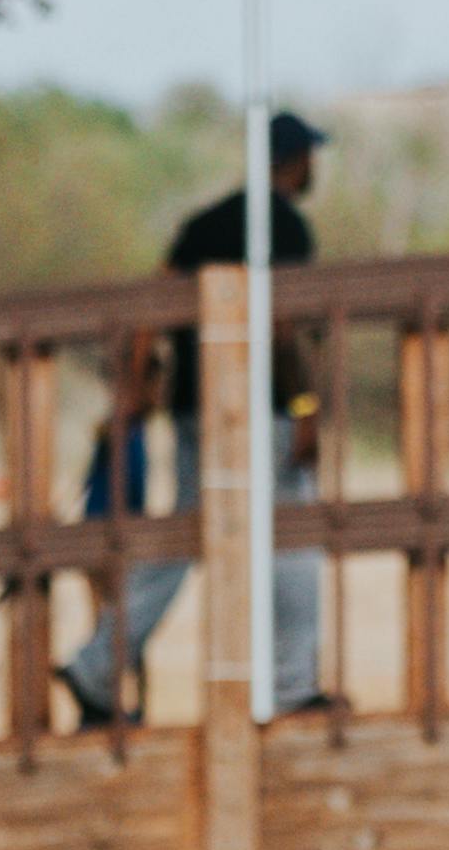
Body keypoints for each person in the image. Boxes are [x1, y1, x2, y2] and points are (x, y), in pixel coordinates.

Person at [64, 112, 325, 724]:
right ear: (295, 161)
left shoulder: (205, 223)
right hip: (260, 408)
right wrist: (305, 405)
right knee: (291, 538)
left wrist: (136, 387)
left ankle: (97, 666)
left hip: (194, 410)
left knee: (181, 541)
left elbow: (150, 308)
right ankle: (292, 686)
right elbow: (283, 326)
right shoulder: (285, 225)